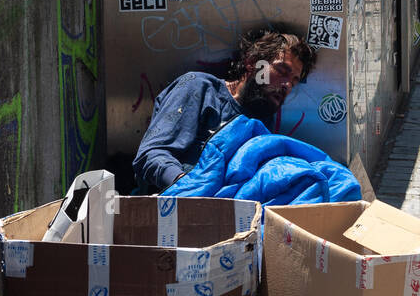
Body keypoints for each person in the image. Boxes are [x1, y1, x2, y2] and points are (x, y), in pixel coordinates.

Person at [132, 28, 316, 193]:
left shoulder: (260, 123)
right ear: (252, 63)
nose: (287, 85)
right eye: (282, 71)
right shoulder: (200, 88)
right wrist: (185, 186)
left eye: (294, 81)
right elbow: (151, 154)